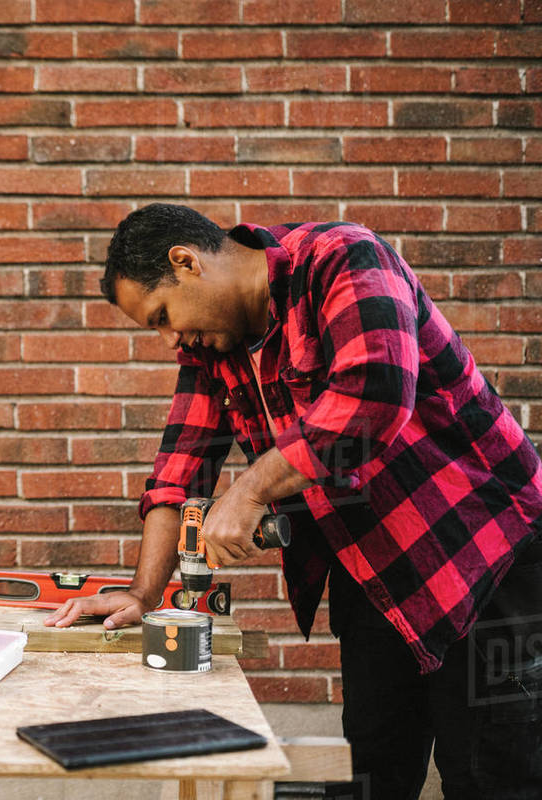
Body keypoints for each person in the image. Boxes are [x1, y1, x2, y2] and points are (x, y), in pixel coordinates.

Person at [43, 203, 542, 799]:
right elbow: (183, 464)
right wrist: (143, 594)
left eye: (162, 316)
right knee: (371, 771)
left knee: (492, 774)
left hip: (489, 558)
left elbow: (376, 397)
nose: (171, 337)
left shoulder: (344, 259)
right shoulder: (213, 346)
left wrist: (251, 488)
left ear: (186, 262)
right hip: (376, 571)